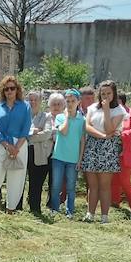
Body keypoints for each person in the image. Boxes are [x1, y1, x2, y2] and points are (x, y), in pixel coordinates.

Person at [79, 80, 125, 223]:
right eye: (103, 93)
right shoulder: (92, 107)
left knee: (105, 185)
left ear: (114, 93)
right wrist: (102, 136)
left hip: (108, 148)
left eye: (108, 93)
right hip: (93, 145)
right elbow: (87, 126)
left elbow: (110, 128)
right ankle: (90, 214)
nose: (105, 96)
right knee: (92, 185)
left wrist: (106, 111)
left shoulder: (119, 111)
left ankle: (104, 216)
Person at [0, 76, 30, 213]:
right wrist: (7, 145)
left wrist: (16, 147)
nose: (9, 91)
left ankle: (11, 209)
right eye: (6, 89)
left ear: (17, 90)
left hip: (19, 144)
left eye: (12, 88)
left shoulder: (25, 106)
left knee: (16, 178)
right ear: (3, 91)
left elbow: (26, 128)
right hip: (1, 144)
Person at [49, 88, 84, 218]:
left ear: (78, 102)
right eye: (67, 101)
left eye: (73, 101)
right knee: (56, 185)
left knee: (70, 186)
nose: (70, 104)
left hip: (73, 159)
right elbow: (63, 131)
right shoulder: (60, 117)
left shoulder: (82, 120)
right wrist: (68, 117)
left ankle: (70, 211)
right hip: (58, 157)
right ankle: (55, 209)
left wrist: (80, 159)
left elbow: (82, 141)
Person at [108, 92, 131, 219]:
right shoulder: (110, 113)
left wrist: (118, 134)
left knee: (124, 180)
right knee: (114, 180)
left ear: (122, 102)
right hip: (112, 152)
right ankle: (114, 205)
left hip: (127, 153)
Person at [25, 90, 55, 217]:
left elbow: (47, 133)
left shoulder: (46, 116)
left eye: (35, 99)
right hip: (23, 151)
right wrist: (34, 131)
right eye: (30, 100)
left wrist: (28, 136)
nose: (32, 102)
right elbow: (19, 132)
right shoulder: (24, 116)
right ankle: (17, 206)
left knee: (36, 182)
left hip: (39, 153)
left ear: (40, 101)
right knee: (20, 181)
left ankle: (35, 209)